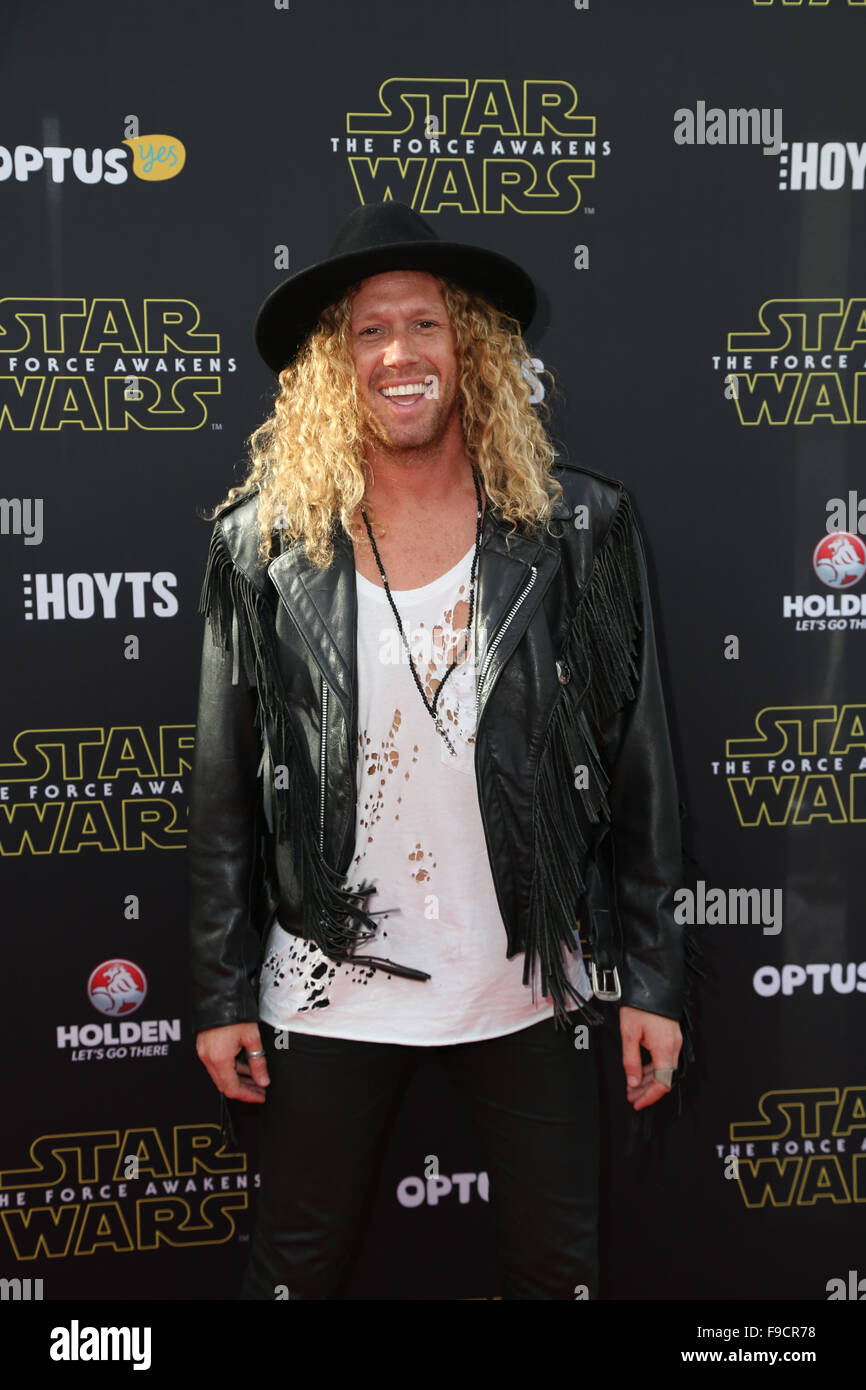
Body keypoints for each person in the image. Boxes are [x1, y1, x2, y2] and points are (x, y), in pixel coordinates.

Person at [187, 200, 687, 1301]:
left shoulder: (577, 529)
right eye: (368, 330)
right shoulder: (262, 547)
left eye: (425, 324)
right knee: (291, 1275)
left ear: (473, 350)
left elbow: (638, 766)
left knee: (559, 1275)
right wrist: (221, 992)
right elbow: (224, 792)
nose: (399, 353)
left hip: (529, 984)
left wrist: (652, 977)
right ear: (335, 364)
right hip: (327, 987)